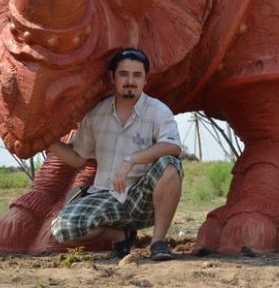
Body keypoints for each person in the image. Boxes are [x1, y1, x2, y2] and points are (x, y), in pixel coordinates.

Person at [49, 48, 183, 260]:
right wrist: (46, 142)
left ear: (145, 79)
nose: (130, 81)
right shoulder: (96, 114)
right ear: (113, 77)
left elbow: (173, 147)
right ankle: (120, 235)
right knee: (62, 230)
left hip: (143, 199)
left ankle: (158, 242)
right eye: (124, 74)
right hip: (106, 196)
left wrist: (132, 160)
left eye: (137, 75)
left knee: (169, 164)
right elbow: (77, 158)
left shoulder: (158, 111)